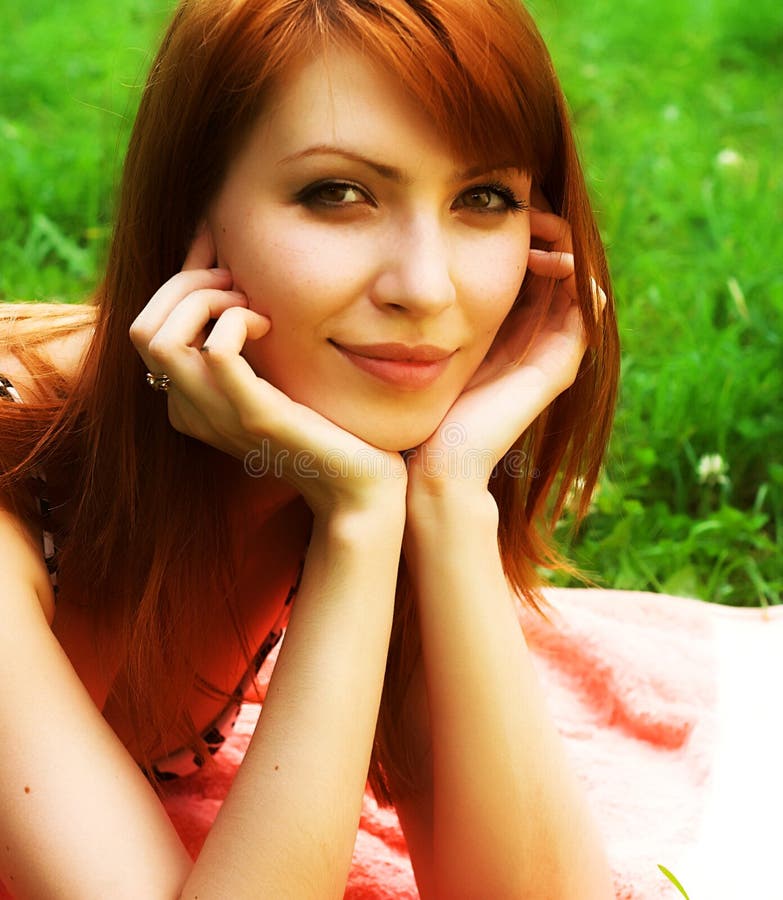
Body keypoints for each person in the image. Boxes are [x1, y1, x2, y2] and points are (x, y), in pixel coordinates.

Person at [0, 0, 620, 896]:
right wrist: (358, 518)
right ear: (192, 210)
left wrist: (445, 496)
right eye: (336, 194)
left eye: (482, 199)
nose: (425, 288)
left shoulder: (344, 434)